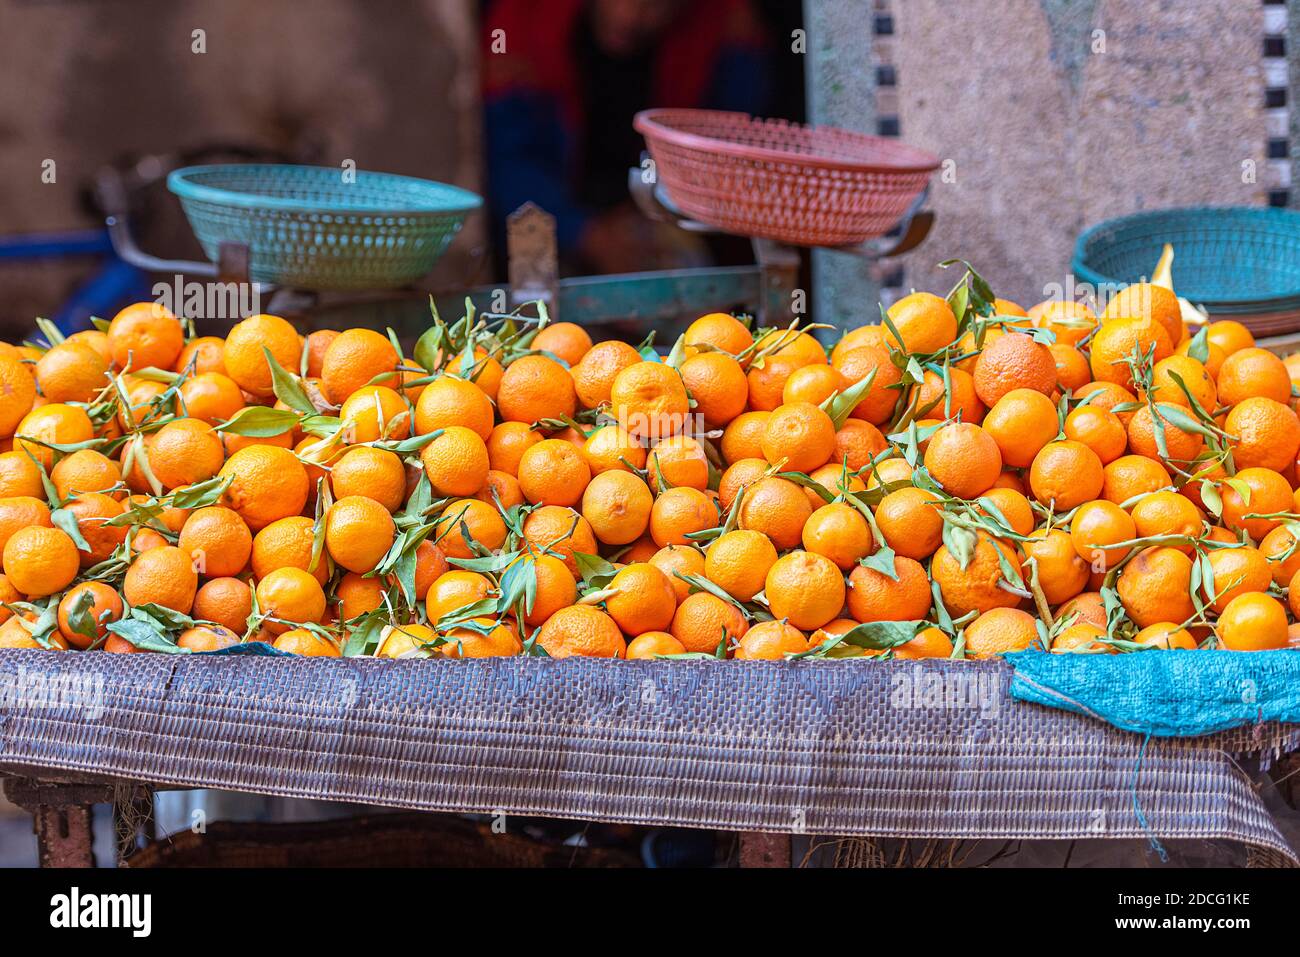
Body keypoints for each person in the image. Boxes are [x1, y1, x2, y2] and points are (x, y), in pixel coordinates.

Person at [481, 0, 770, 275]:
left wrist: (668, 210)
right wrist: (585, 234)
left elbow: (737, 148)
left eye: (654, 4)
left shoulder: (724, 27)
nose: (628, 17)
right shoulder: (525, 22)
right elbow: (504, 158)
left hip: (664, 222)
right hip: (555, 231)